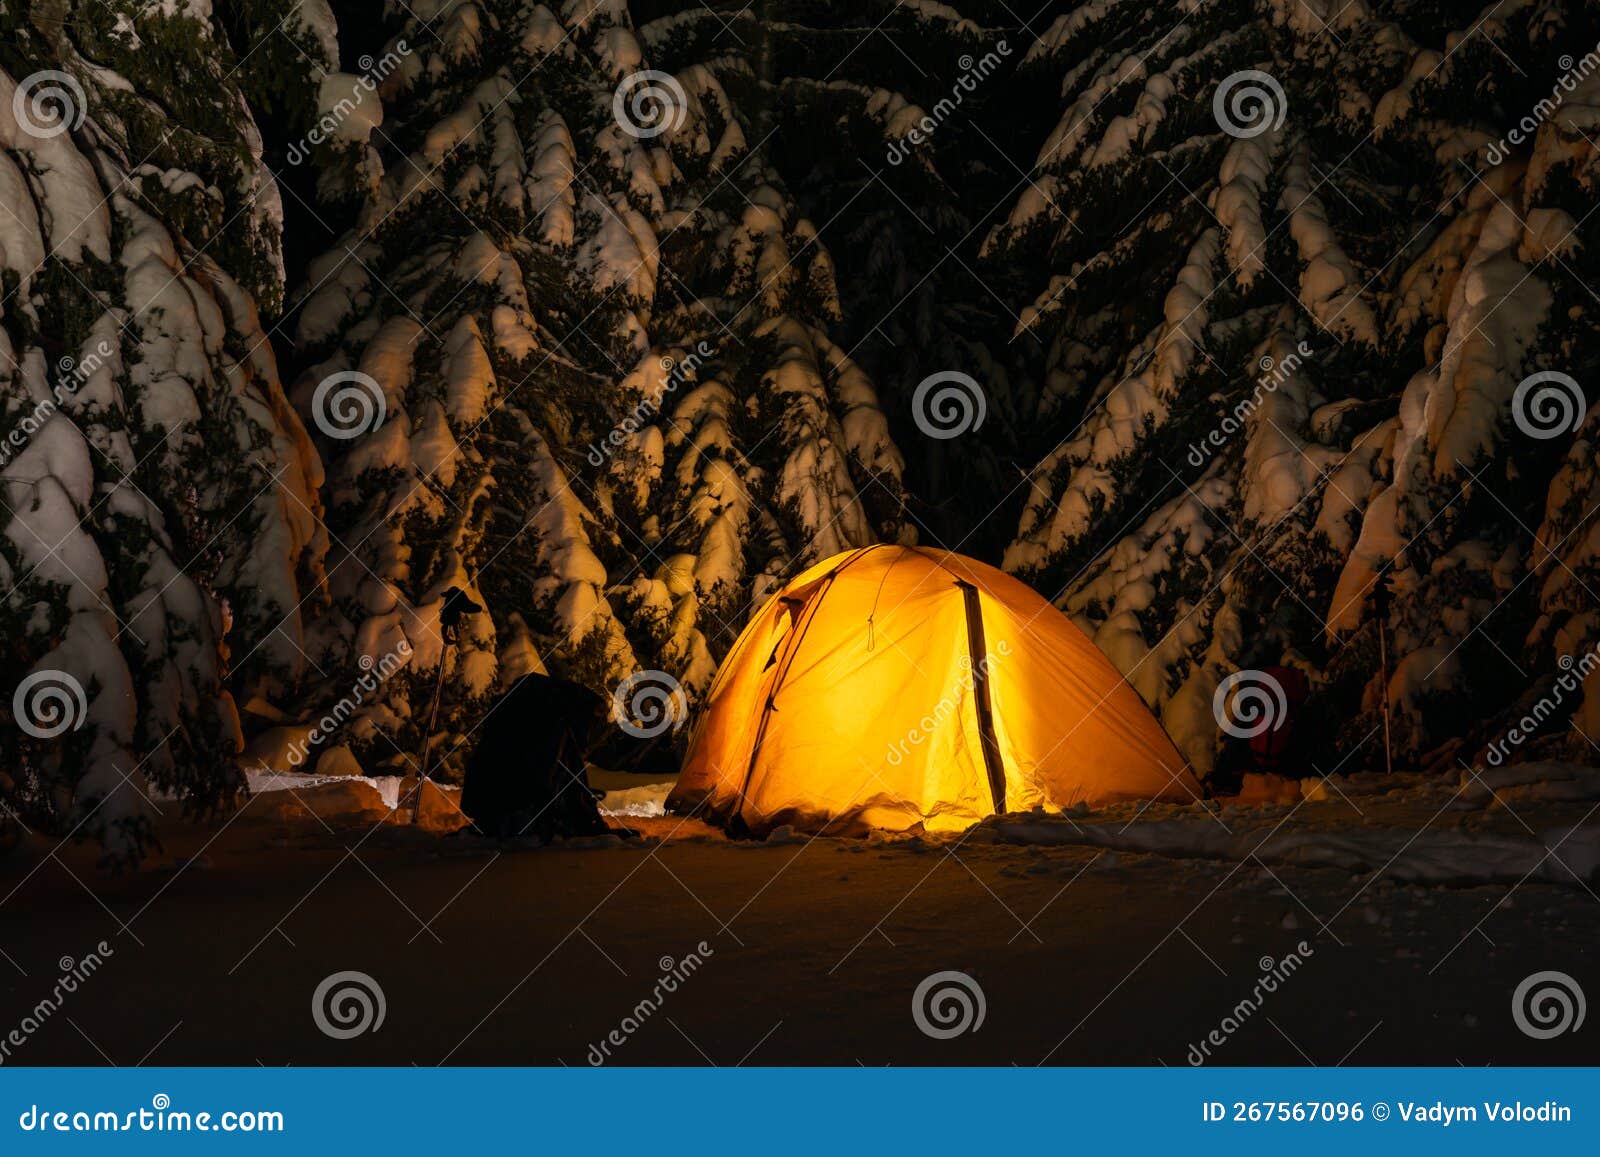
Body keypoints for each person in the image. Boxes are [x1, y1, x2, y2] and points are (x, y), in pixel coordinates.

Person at [459, 672, 627, 841]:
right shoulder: (553, 727)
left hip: (489, 809)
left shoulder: (516, 712)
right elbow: (553, 779)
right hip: (520, 812)